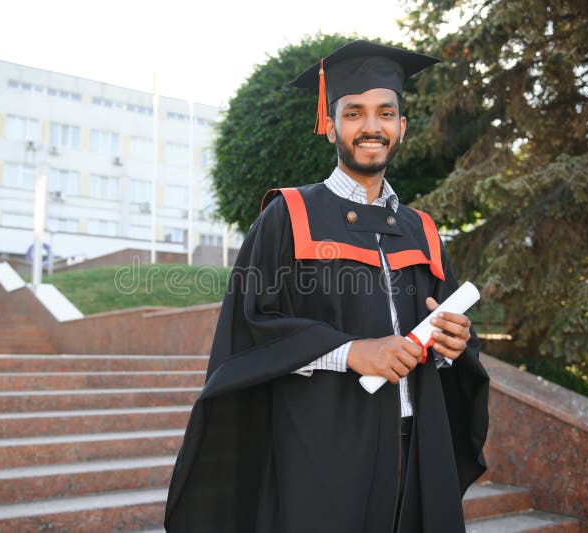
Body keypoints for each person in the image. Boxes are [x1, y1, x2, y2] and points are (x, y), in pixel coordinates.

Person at [165, 40, 489, 533]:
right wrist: (350, 351)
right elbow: (251, 327)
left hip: (418, 445)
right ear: (331, 124)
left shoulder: (422, 230)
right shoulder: (289, 216)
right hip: (323, 450)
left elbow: (440, 336)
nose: (371, 127)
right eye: (354, 113)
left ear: (402, 126)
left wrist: (451, 345)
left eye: (385, 113)